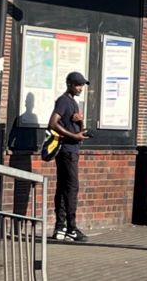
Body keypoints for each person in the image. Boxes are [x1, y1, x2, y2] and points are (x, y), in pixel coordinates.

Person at [48, 71, 91, 242]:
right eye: (77, 85)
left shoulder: (72, 102)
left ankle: (61, 227)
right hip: (67, 151)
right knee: (72, 188)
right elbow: (53, 122)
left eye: (81, 85)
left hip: (71, 150)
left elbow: (79, 130)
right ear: (70, 84)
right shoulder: (64, 101)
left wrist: (79, 121)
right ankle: (71, 228)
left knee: (64, 188)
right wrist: (73, 137)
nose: (80, 88)